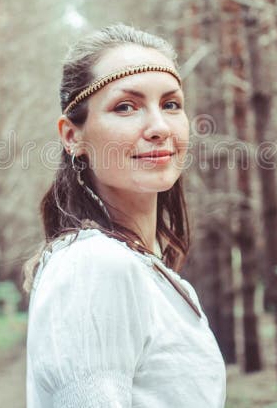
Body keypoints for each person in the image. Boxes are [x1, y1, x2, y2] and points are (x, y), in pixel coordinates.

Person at [23, 24, 227, 407]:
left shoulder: (138, 267)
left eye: (171, 104)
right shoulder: (95, 266)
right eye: (126, 107)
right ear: (72, 137)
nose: (159, 127)